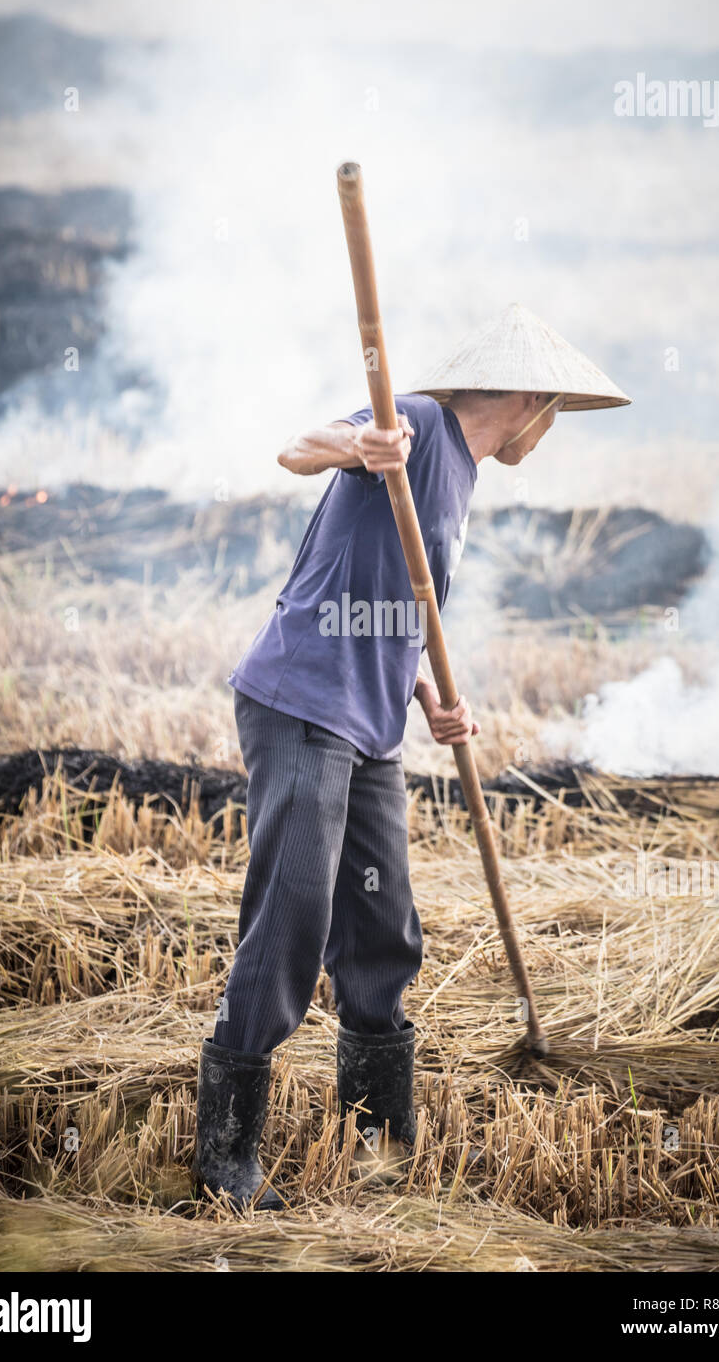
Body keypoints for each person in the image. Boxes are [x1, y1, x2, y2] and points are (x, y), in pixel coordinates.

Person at [194, 302, 630, 1207]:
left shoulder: (464, 477)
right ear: (532, 401)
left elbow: (402, 604)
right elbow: (296, 448)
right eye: (553, 418)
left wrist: (430, 693)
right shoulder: (421, 425)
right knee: (293, 917)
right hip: (302, 700)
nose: (548, 436)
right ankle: (224, 1159)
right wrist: (362, 448)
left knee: (383, 927)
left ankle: (378, 1143)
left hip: (373, 724)